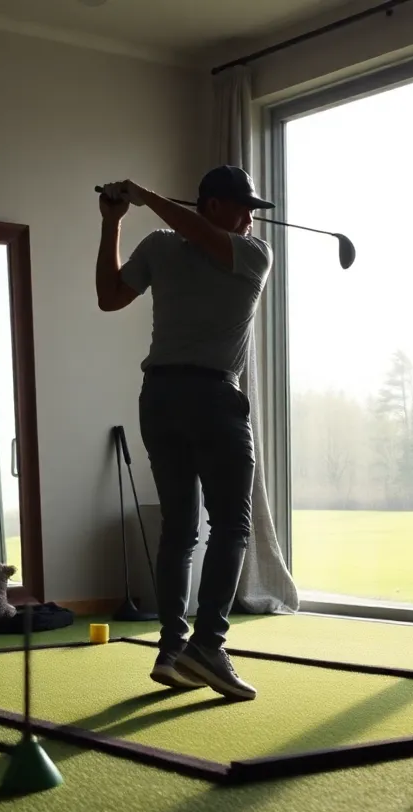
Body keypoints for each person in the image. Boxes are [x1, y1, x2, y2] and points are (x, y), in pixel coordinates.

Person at [95, 166, 274, 701]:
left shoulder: (251, 254)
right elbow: (109, 297)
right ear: (213, 204)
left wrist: (147, 197)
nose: (250, 219)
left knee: (182, 529)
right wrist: (112, 223)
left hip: (161, 398)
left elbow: (201, 235)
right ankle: (204, 647)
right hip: (210, 398)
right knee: (227, 525)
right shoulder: (162, 244)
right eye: (243, 208)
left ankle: (174, 651)